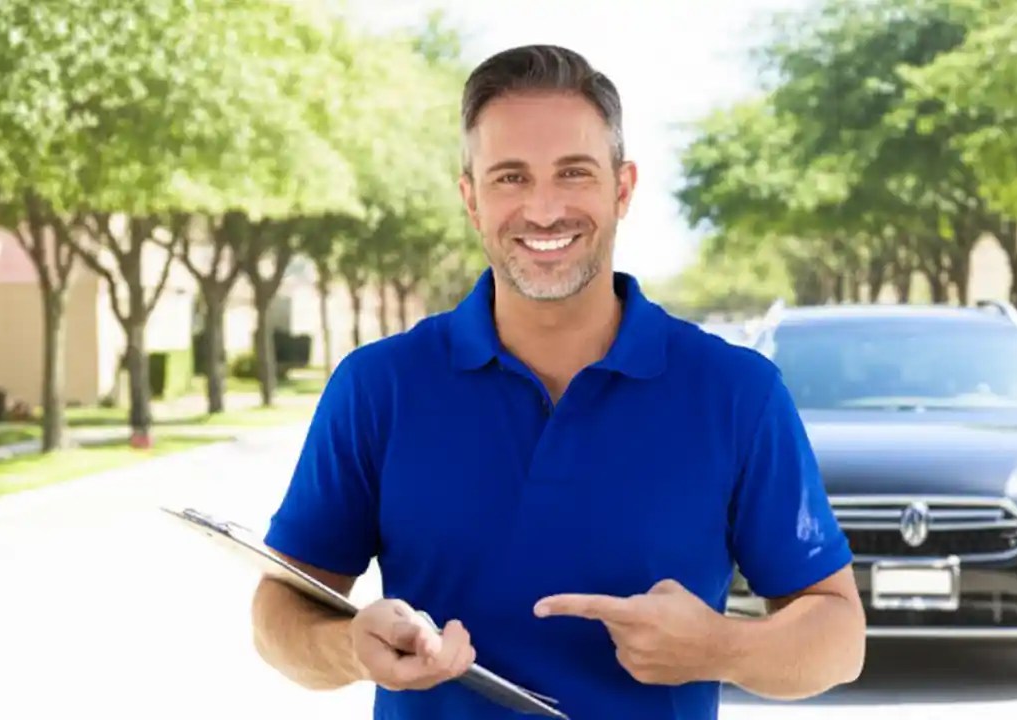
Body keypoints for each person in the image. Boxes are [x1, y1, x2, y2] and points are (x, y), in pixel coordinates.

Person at [249, 44, 865, 719]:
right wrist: (348, 647)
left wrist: (721, 648)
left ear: (622, 188)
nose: (544, 211)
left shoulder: (738, 394)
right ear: (471, 199)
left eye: (573, 173)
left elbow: (838, 637)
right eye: (510, 178)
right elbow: (279, 615)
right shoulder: (377, 389)